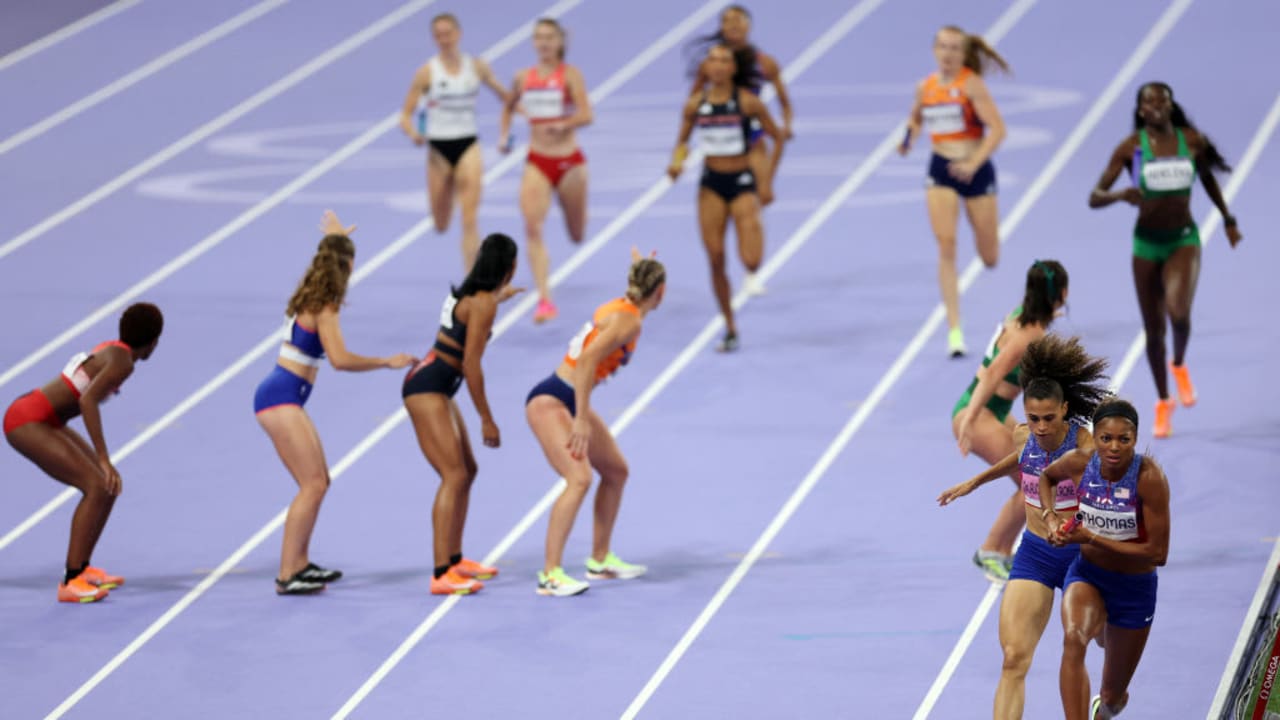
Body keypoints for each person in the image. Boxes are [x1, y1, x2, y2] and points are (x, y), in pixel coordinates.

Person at [938, 334, 1109, 718]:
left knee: (1093, 642)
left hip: (1080, 558)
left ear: (1065, 410)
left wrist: (1074, 526)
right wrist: (973, 483)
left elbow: (1105, 506)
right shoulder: (1024, 435)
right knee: (1014, 659)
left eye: (1050, 419)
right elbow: (1022, 457)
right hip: (1034, 552)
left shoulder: (1085, 450)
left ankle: (1108, 700)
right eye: (1034, 419)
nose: (1042, 428)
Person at [254, 211, 416, 595]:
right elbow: (341, 361)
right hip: (280, 397)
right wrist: (385, 361)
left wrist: (336, 237)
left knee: (318, 482)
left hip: (283, 395)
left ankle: (300, 564)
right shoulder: (326, 305)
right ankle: (287, 573)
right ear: (344, 266)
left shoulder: (312, 295)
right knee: (312, 484)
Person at [1088, 81, 1242, 438]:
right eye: (1149, 101)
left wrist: (1228, 219)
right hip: (1145, 244)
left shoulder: (1191, 140)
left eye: (1163, 100)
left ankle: (1180, 363)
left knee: (1179, 314)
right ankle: (1162, 401)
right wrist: (1120, 195)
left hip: (1183, 239)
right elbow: (1094, 196)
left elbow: (1207, 181)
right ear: (1141, 110)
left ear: (1171, 106)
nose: (1157, 105)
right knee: (1154, 331)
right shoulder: (1130, 148)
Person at [524, 249, 665, 596]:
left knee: (615, 471)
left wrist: (637, 266)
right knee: (579, 479)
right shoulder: (629, 320)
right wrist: (582, 419)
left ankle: (600, 559)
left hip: (569, 399)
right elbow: (586, 360)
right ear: (660, 293)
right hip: (554, 399)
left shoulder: (624, 307)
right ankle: (550, 575)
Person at [4, 303, 163, 603]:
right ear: (153, 341)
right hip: (27, 420)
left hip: (45, 417)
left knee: (107, 486)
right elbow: (88, 401)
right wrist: (104, 458)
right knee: (95, 484)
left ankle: (83, 568)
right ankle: (70, 580)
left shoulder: (113, 349)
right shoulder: (124, 362)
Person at [402, 233, 521, 595]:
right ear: (509, 267)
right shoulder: (483, 304)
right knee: (453, 475)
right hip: (428, 388)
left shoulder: (472, 296)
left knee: (467, 471)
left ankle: (455, 560)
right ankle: (441, 573)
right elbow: (471, 364)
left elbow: (469, 316)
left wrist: (500, 296)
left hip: (437, 383)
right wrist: (487, 417)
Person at [1039, 399, 1170, 720]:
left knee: (1113, 696)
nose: (1114, 447)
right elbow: (1047, 478)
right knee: (1073, 639)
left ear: (1135, 440)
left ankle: (1105, 709)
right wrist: (1051, 516)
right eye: (1105, 439)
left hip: (1134, 591)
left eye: (1123, 439)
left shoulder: (1149, 479)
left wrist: (1093, 537)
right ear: (1094, 438)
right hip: (1089, 575)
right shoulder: (1078, 463)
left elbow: (1158, 553)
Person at [952, 260, 1068, 582]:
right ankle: (991, 551)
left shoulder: (1021, 316)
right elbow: (992, 373)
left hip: (994, 410)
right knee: (1035, 484)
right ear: (1061, 293)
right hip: (981, 412)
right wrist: (968, 421)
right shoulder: (1027, 338)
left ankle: (1000, 550)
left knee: (1036, 480)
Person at [900, 25, 1009, 357]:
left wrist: (973, 163)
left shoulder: (971, 86)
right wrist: (908, 138)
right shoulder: (926, 87)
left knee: (989, 256)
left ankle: (985, 246)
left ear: (963, 54)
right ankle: (954, 331)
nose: (947, 54)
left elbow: (998, 130)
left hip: (975, 171)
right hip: (942, 170)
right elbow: (917, 119)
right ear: (934, 51)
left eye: (954, 49)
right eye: (942, 47)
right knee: (946, 244)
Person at [668, 43, 783, 353]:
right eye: (712, 60)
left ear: (733, 68)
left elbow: (778, 136)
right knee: (716, 258)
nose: (717, 65)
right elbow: (682, 142)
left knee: (751, 260)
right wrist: (677, 163)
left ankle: (755, 232)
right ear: (706, 67)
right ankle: (730, 325)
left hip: (743, 181)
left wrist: (767, 180)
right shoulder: (695, 105)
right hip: (711, 184)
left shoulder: (747, 103)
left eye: (724, 60)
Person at [499, 17, 593, 324]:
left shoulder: (570, 76)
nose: (543, 43)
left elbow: (586, 113)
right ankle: (545, 299)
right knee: (532, 227)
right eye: (538, 38)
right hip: (537, 161)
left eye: (549, 37)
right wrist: (504, 136)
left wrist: (562, 124)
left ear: (560, 42)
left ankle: (575, 218)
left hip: (569, 163)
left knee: (577, 233)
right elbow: (509, 104)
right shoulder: (523, 77)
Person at [399, 13, 510, 272]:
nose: (444, 39)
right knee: (441, 222)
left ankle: (472, 281)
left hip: (468, 145)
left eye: (448, 33)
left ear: (458, 34)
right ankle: (444, 198)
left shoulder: (477, 67)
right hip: (438, 150)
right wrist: (414, 133)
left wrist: (509, 124)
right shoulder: (427, 72)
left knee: (469, 218)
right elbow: (404, 115)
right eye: (438, 35)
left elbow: (505, 96)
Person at [687, 4, 793, 212]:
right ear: (722, 27)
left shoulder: (764, 63)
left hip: (753, 135)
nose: (733, 25)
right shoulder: (709, 63)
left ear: (748, 26)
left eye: (738, 20)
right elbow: (694, 100)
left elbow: (785, 103)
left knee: (758, 198)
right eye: (727, 20)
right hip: (722, 135)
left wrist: (787, 125)